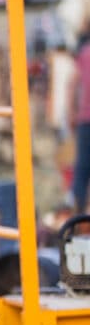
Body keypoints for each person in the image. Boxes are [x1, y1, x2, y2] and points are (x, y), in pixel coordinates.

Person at [70, 30, 90, 213]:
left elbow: (74, 83)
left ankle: (79, 212)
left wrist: (72, 111)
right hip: (85, 117)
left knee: (82, 167)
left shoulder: (84, 53)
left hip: (85, 118)